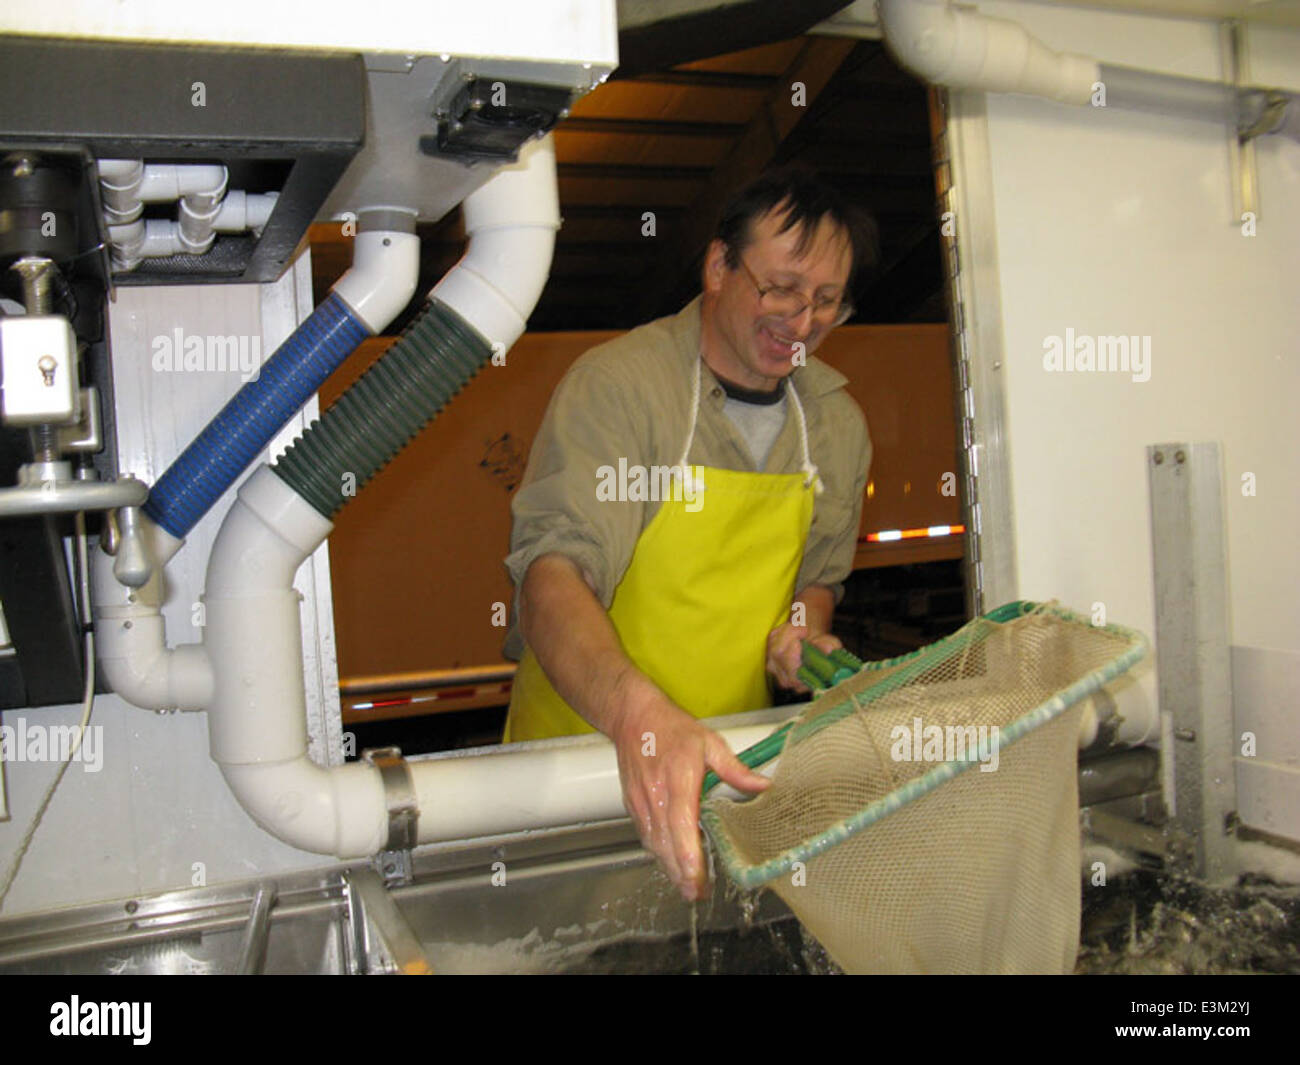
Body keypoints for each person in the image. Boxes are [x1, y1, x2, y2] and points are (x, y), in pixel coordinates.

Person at [501, 168, 876, 901]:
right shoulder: (621, 387)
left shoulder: (835, 424)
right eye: (780, 288)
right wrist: (640, 718)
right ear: (717, 266)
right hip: (582, 772)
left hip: (730, 772)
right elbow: (551, 580)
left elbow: (815, 580)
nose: (800, 321)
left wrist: (800, 632)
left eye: (825, 301)